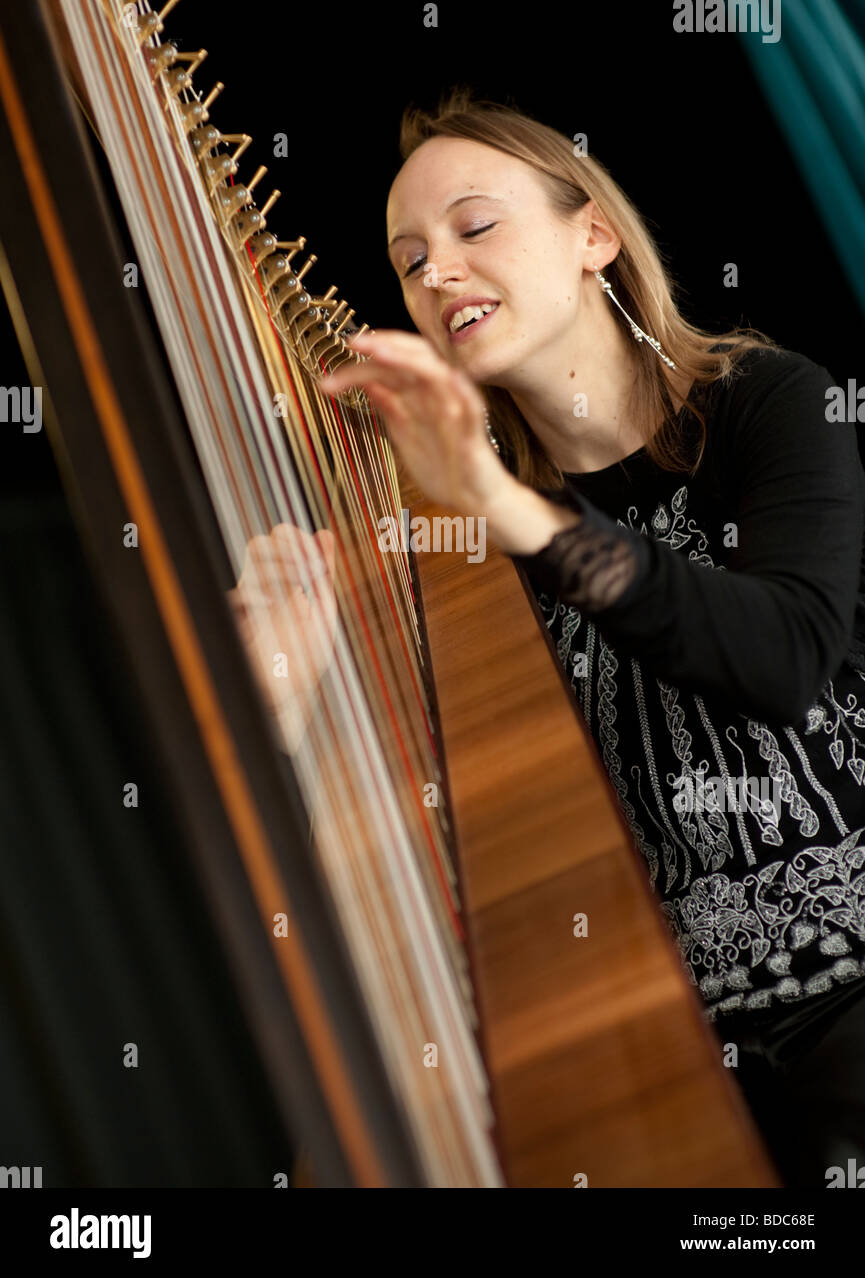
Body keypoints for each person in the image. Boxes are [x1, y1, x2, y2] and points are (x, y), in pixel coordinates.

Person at [240, 88, 865, 1188]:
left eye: (473, 228)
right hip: (670, 1057)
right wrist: (292, 708)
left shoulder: (771, 405)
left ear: (594, 236)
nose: (435, 272)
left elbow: (779, 657)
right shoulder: (446, 559)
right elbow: (405, 864)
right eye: (408, 259)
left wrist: (498, 498)